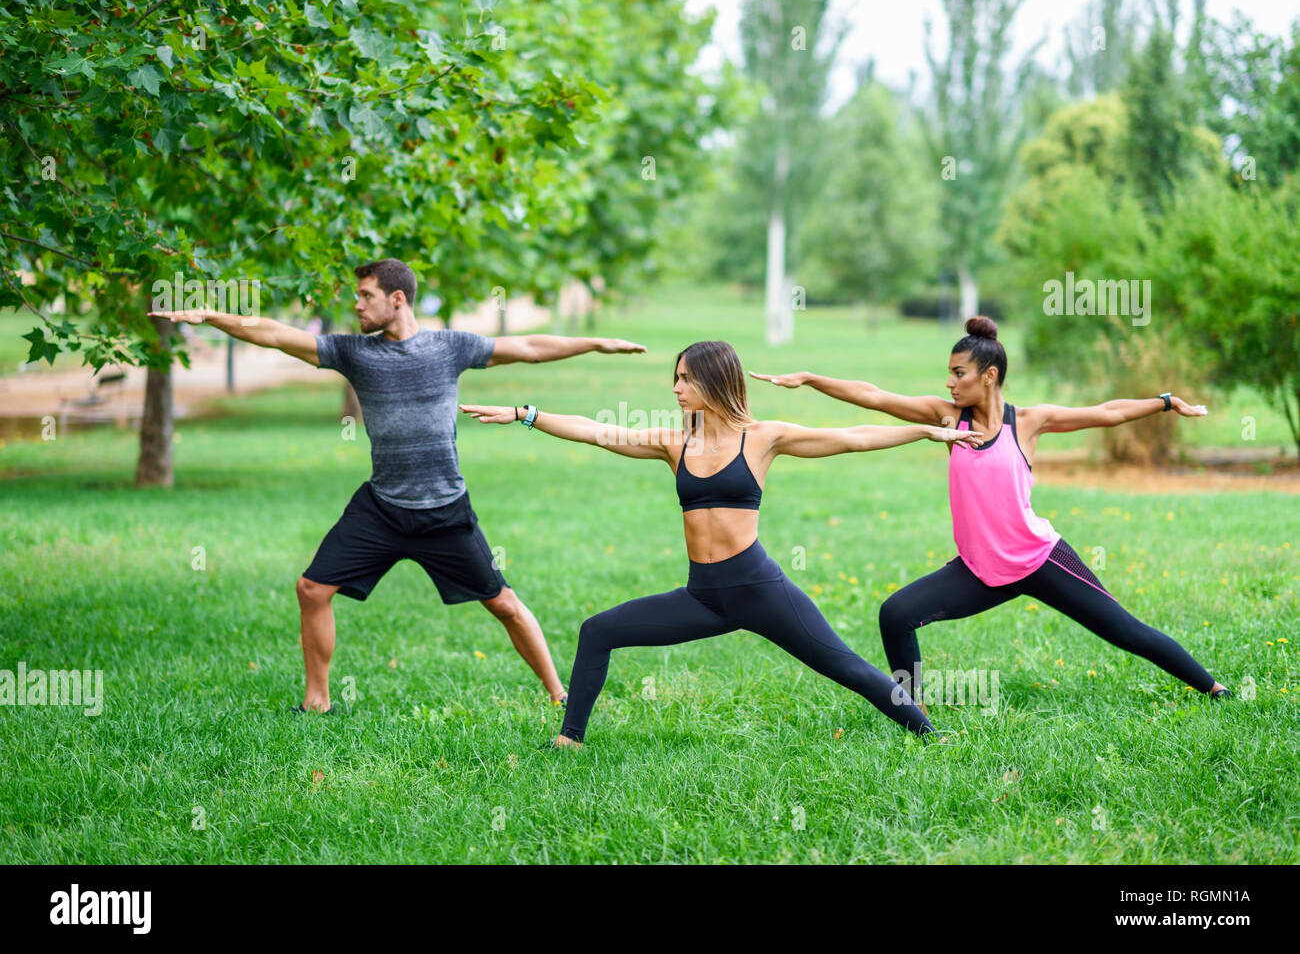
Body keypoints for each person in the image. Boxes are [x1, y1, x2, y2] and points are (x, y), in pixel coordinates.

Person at [152, 257, 647, 713]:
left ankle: (559, 693)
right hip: (382, 508)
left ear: (397, 299)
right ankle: (317, 701)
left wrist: (597, 342)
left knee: (504, 604)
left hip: (444, 511)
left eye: (365, 295)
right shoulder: (352, 352)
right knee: (312, 588)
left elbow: (532, 348)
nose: (356, 305)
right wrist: (214, 317)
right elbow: (276, 334)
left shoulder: (450, 348)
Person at [460, 339, 984, 747]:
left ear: (712, 381)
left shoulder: (762, 437)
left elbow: (851, 437)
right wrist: (527, 414)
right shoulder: (674, 442)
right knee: (598, 631)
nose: (676, 388)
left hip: (760, 589)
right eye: (676, 378)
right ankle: (569, 739)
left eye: (685, 378)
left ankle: (930, 736)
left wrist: (923, 433)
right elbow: (597, 430)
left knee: (847, 667)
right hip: (703, 596)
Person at [751, 315, 1232, 715]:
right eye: (949, 373)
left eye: (958, 373)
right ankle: (912, 712)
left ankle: (1213, 688)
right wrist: (811, 379)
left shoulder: (1030, 421)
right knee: (895, 613)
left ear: (989, 375)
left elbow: (1106, 412)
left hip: (1041, 559)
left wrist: (1166, 402)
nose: (949, 382)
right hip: (980, 570)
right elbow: (874, 395)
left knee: (1126, 631)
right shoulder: (945, 418)